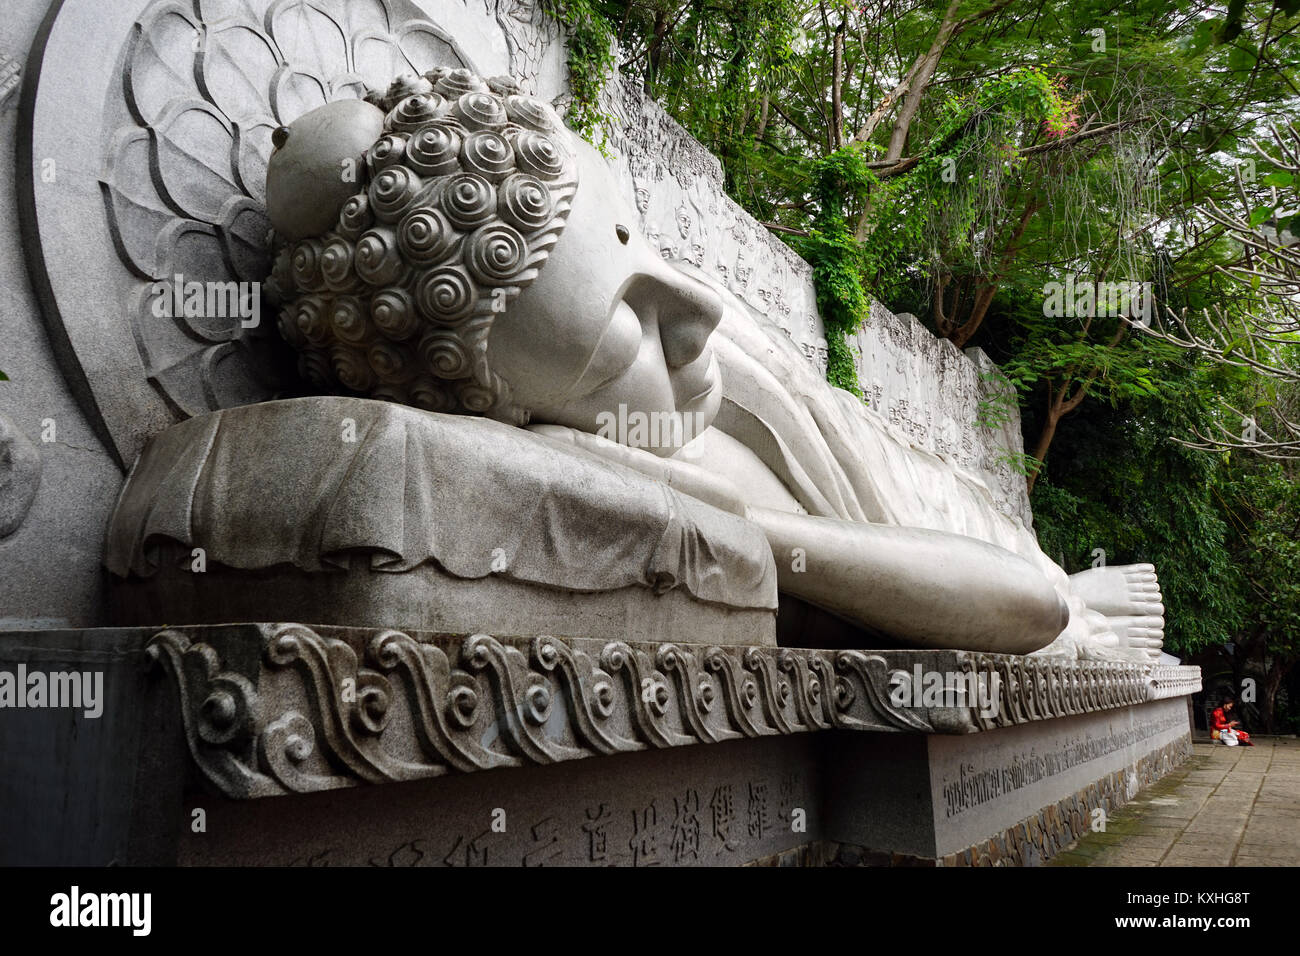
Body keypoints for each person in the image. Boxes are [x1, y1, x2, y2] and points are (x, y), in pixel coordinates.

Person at [262, 67, 1166, 658]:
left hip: (921, 492)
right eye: (621, 339)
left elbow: (884, 471)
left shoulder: (712, 368)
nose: (700, 315)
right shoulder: (662, 479)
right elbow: (1030, 609)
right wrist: (728, 524)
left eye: (636, 241)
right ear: (512, 416)